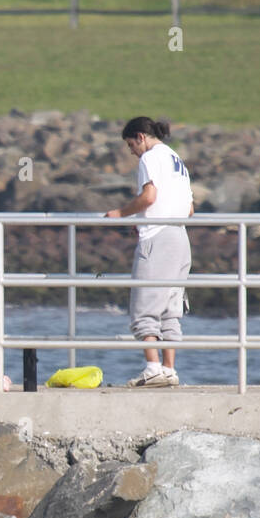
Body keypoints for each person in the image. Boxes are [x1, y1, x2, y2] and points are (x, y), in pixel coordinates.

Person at [106, 117, 194, 388]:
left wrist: (119, 214)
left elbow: (149, 197)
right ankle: (169, 370)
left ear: (141, 137)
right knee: (170, 309)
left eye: (131, 144)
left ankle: (153, 367)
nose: (132, 151)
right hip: (180, 237)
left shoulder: (150, 158)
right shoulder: (175, 158)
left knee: (144, 307)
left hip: (157, 239)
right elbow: (189, 208)